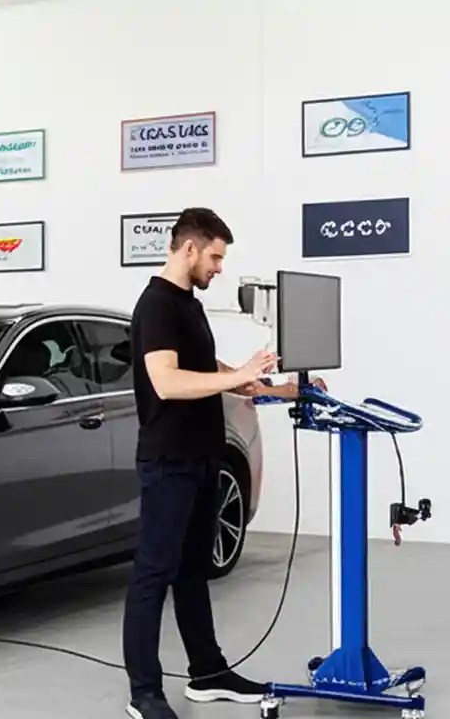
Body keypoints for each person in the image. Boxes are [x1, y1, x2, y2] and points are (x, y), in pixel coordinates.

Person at [122, 207, 284, 719]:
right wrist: (234, 377)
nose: (219, 267)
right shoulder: (156, 305)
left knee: (193, 570)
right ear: (189, 248)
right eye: (215, 257)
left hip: (201, 458)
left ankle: (208, 673)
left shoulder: (188, 304)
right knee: (153, 575)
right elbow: (167, 381)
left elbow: (202, 366)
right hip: (169, 461)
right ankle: (144, 694)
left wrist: (261, 383)